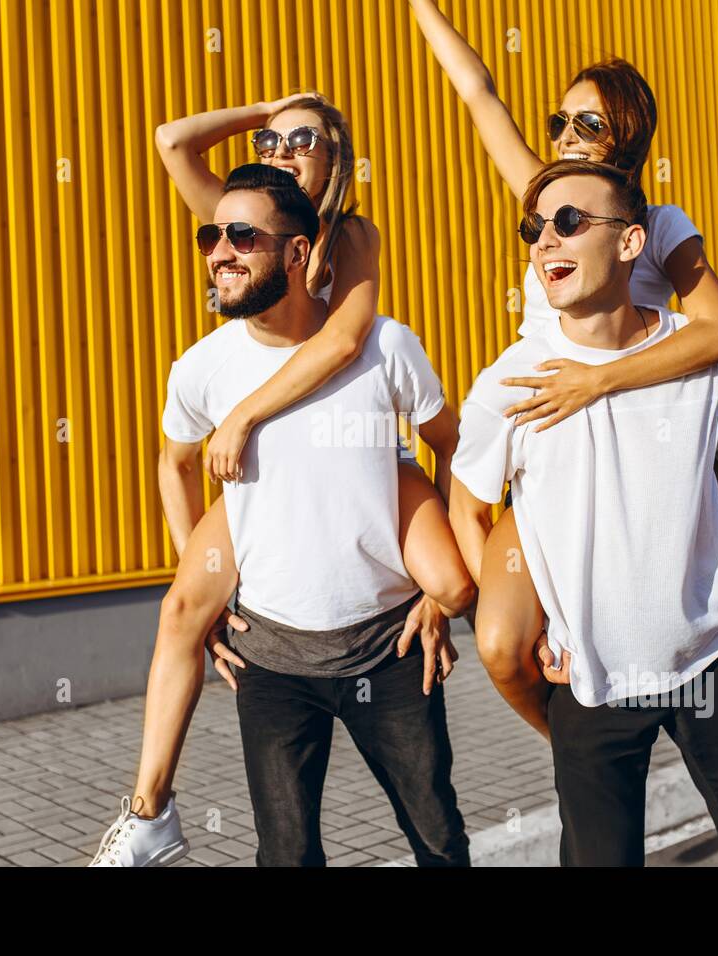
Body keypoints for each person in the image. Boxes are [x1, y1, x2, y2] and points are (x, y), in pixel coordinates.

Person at [408, 0, 718, 739]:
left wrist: (597, 379)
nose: (563, 136)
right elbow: (477, 90)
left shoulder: (658, 227)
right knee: (499, 643)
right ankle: (580, 741)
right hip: (560, 460)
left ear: (626, 136)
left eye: (585, 124)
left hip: (665, 454)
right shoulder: (547, 199)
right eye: (559, 121)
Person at [93, 93, 476, 863]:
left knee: (437, 833)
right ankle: (148, 813)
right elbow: (172, 143)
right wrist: (206, 578)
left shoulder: (355, 254)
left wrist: (241, 420)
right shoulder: (234, 264)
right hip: (274, 653)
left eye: (305, 138)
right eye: (273, 138)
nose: (223, 247)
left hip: (376, 563)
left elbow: (340, 343)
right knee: (181, 617)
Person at [448, 160, 718, 865]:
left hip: (717, 652)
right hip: (590, 675)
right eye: (535, 228)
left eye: (569, 222)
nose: (546, 241)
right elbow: (468, 511)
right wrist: (524, 620)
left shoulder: (694, 353)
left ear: (629, 242)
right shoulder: (510, 380)